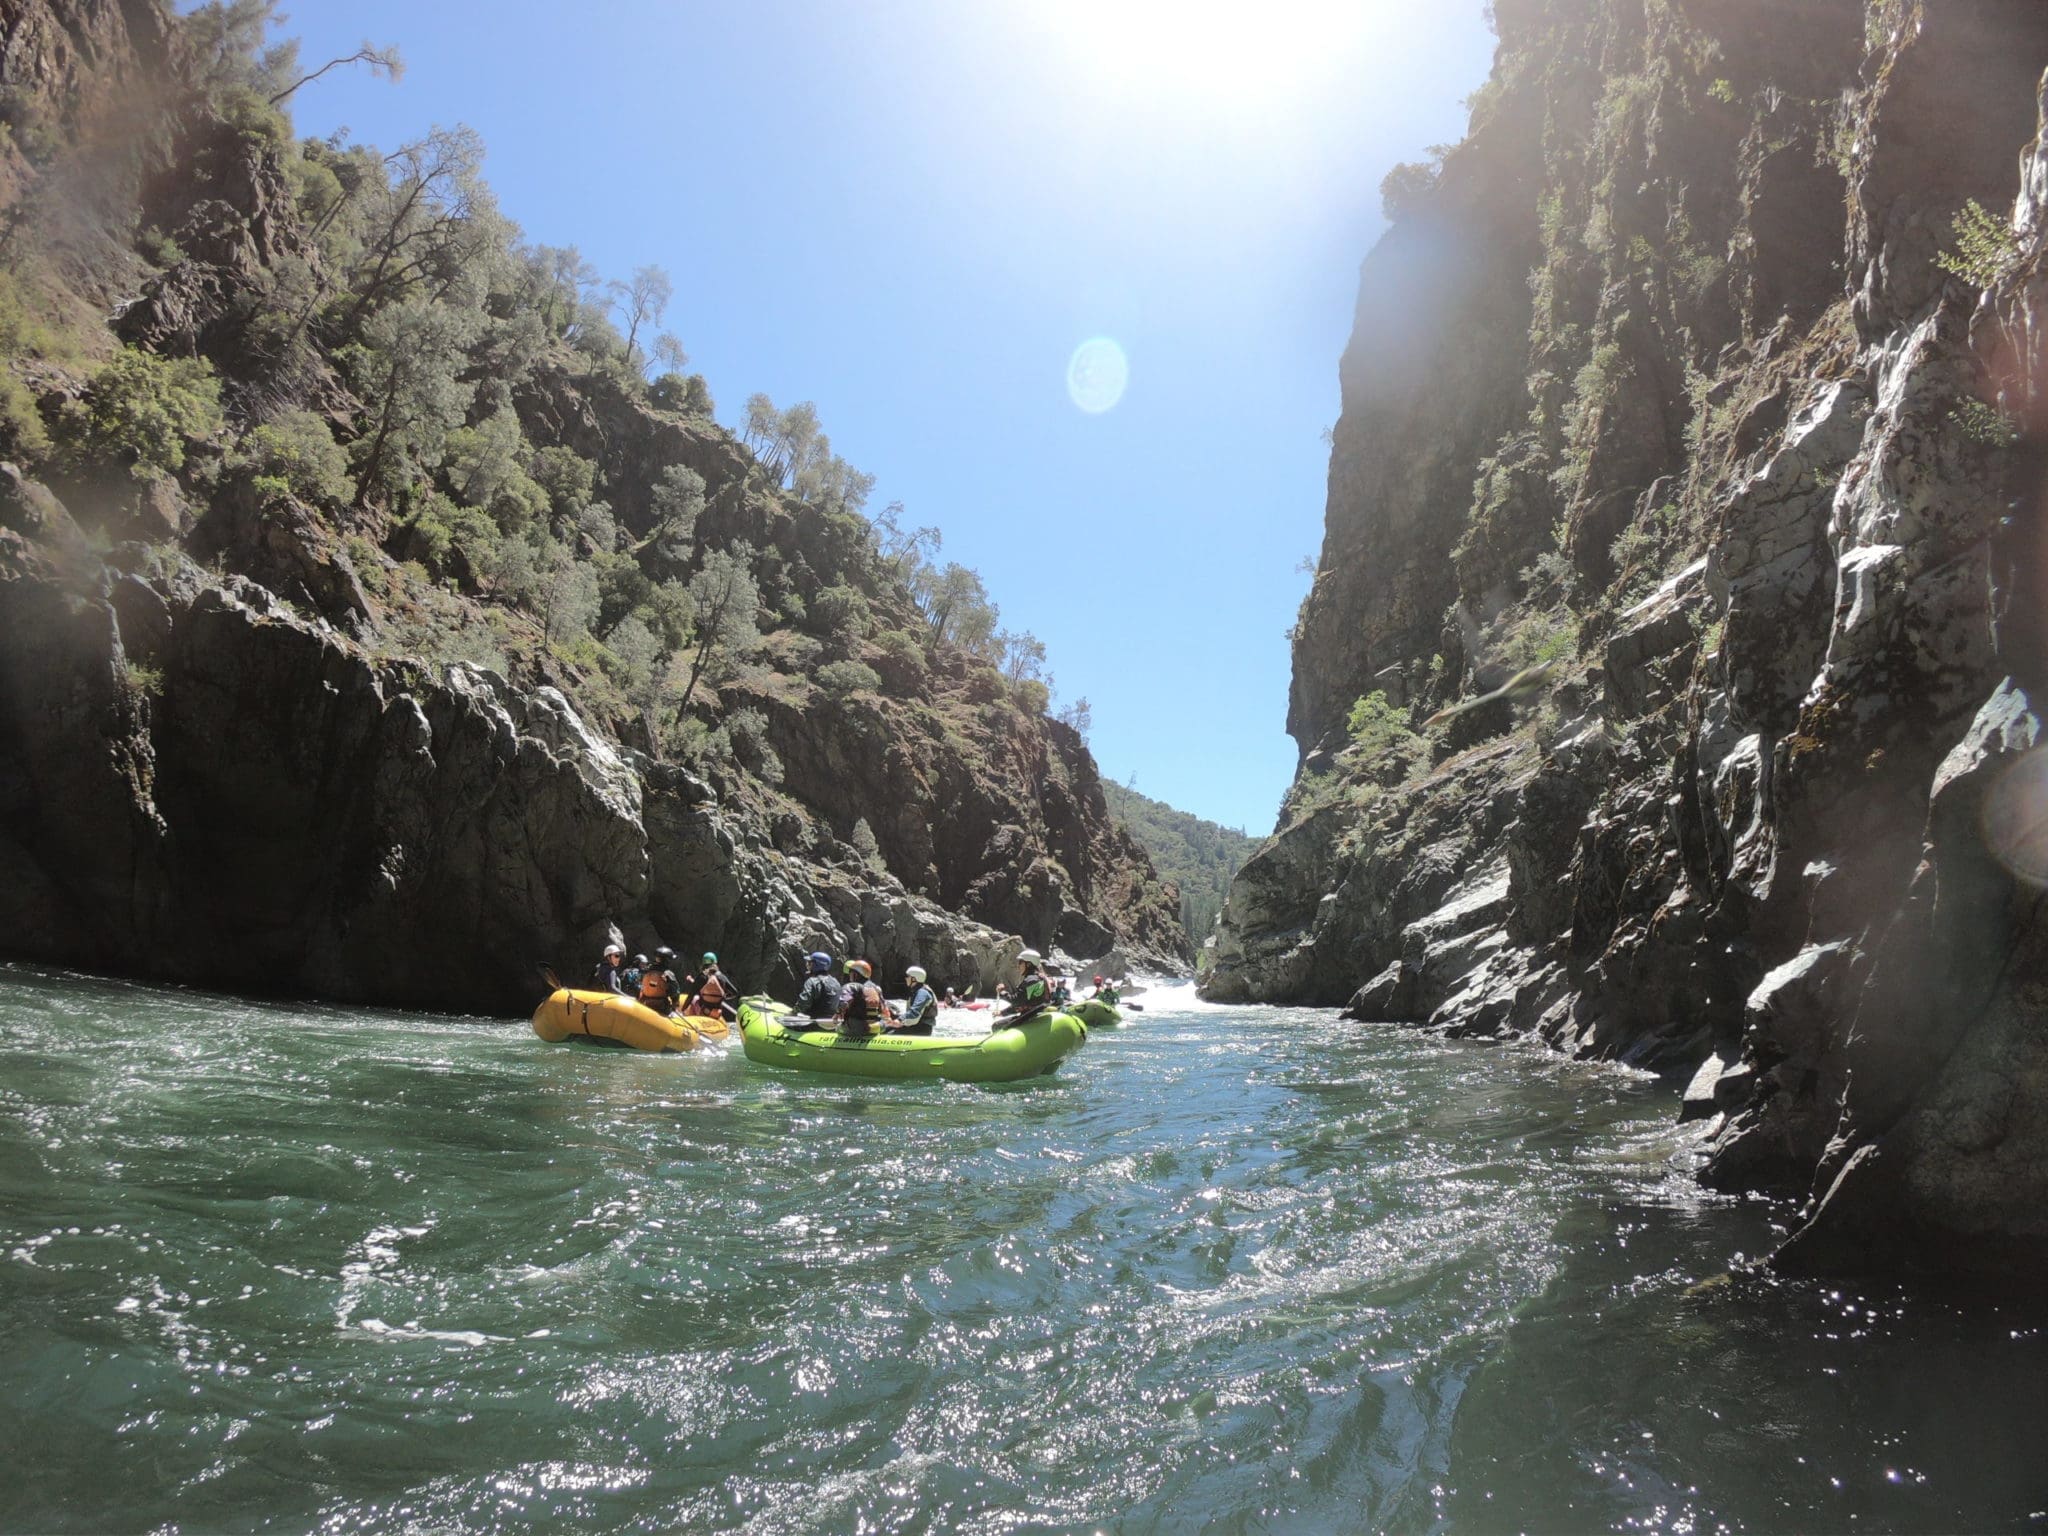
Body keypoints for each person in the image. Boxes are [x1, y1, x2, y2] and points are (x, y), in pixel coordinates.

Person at [835, 958, 888, 1039]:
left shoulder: (851, 986)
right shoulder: (877, 988)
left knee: (838, 1027)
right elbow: (885, 1012)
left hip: (857, 1029)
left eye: (851, 973)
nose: (849, 976)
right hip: (877, 1027)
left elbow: (844, 1003)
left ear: (855, 974)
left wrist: (838, 1013)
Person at [997, 950, 1052, 1023]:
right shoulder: (1041, 978)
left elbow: (1016, 1001)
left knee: (996, 1025)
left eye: (1020, 962)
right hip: (1037, 1015)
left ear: (1028, 964)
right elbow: (1024, 1003)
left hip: (1030, 1018)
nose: (1018, 966)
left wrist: (1002, 992)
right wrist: (1003, 1013)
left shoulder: (1030, 980)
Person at [682, 951, 738, 1019]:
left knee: (695, 999)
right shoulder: (722, 977)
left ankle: (690, 1017)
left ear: (703, 963)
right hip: (717, 1012)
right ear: (715, 963)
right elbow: (734, 992)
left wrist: (683, 1010)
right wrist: (723, 996)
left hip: (703, 1010)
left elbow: (690, 996)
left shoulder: (702, 976)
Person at [796, 950, 842, 1024]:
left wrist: (793, 1012)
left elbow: (803, 1003)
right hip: (832, 1024)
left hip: (814, 1024)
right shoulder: (836, 982)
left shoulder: (812, 981)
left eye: (810, 963)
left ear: (816, 965)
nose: (807, 965)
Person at [891, 965, 939, 1035]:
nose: (906, 978)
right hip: (916, 1026)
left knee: (889, 1032)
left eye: (908, 976)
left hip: (921, 1029)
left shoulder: (922, 993)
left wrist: (899, 1020)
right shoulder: (917, 991)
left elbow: (914, 1013)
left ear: (914, 979)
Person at [638, 946, 682, 1015]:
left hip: (645, 1003)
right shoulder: (668, 974)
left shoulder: (646, 970)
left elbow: (641, 985)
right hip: (661, 1007)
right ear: (667, 961)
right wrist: (675, 1005)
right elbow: (675, 993)